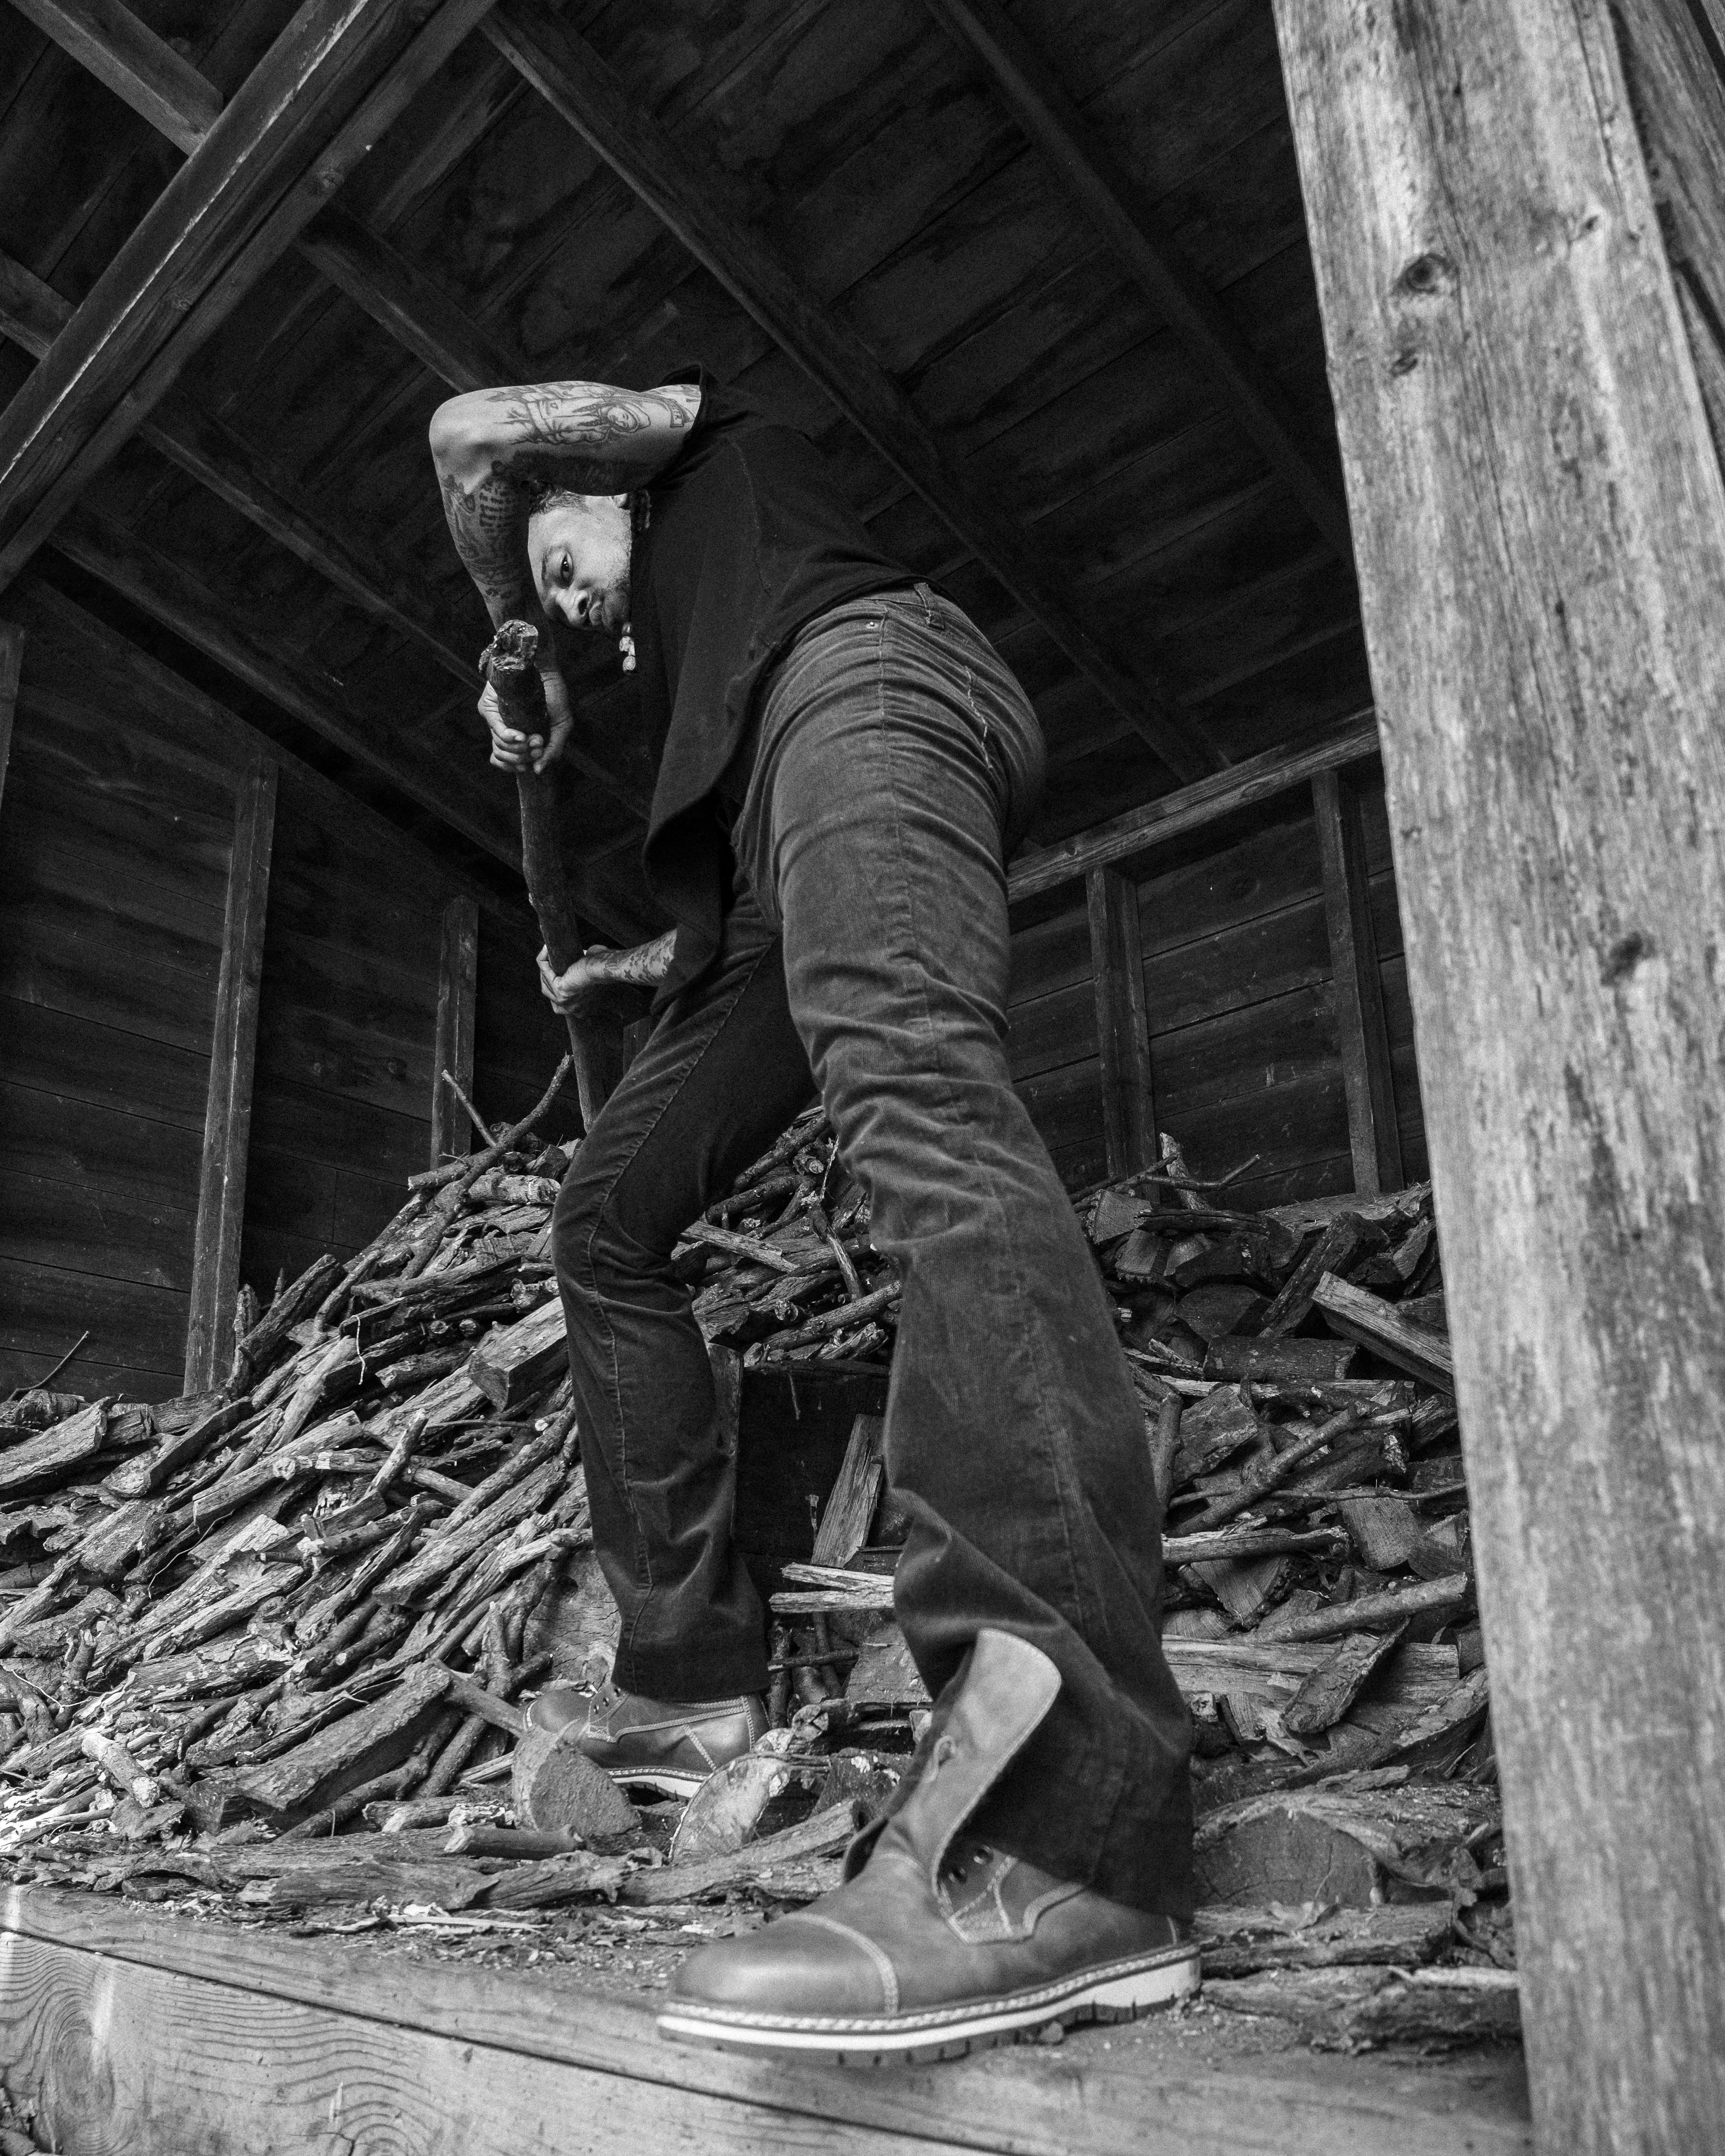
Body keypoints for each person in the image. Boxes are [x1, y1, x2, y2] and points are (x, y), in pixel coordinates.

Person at [429, 371, 1196, 2059]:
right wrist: (577, 833)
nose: (568, 599)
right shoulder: (683, 682)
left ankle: (1074, 1834)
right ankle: (691, 1678)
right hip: (769, 873)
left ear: (599, 486)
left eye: (567, 561)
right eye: (556, 591)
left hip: (877, 686)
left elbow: (464, 436)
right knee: (605, 1217)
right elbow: (663, 947)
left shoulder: (713, 450)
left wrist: (508, 627)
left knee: (914, 1098)